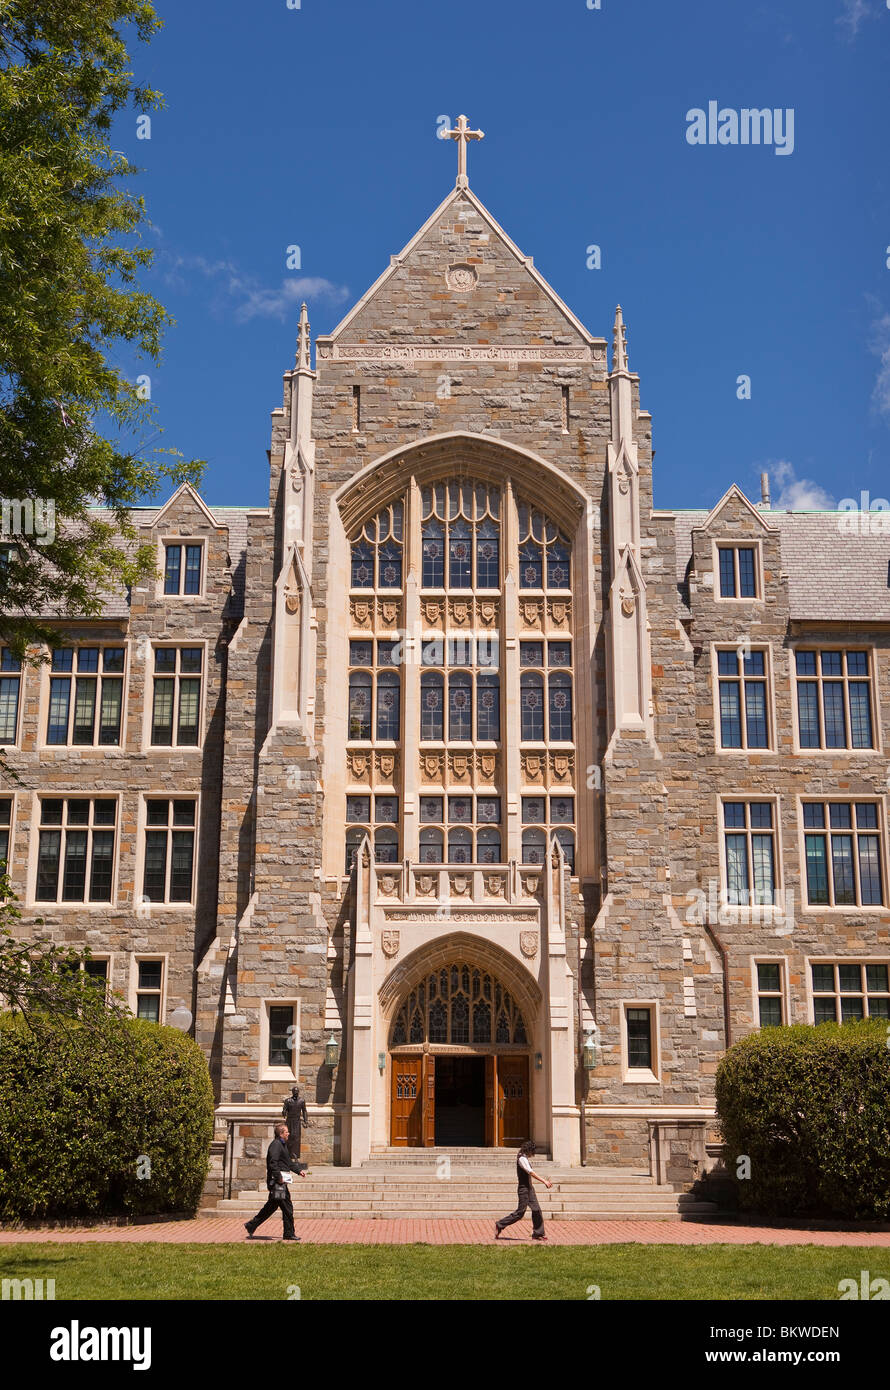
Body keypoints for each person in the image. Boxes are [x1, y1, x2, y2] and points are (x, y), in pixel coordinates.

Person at [244, 1123, 302, 1241]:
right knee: (287, 1207)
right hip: (277, 1183)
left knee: (271, 1206)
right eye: (286, 1132)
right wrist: (278, 1177)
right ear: (281, 1133)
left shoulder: (282, 1145)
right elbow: (272, 1163)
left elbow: (288, 1163)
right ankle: (289, 1233)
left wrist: (298, 1171)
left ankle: (251, 1225)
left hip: (280, 1182)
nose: (288, 1133)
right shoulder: (276, 1145)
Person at [494, 1140, 552, 1242]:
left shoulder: (523, 1157)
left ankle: (538, 1233)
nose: (532, 1154)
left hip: (529, 1188)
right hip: (523, 1189)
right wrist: (544, 1181)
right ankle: (500, 1224)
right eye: (532, 1152)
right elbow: (531, 1172)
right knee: (520, 1213)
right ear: (529, 1150)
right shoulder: (521, 1159)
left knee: (536, 1210)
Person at [282, 1086, 310, 1170]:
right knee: (288, 1138)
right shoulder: (288, 1101)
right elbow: (284, 1111)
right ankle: (288, 1157)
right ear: (292, 1092)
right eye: (294, 1091)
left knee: (296, 1139)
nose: (296, 1093)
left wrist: (305, 1121)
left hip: (297, 1121)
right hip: (289, 1121)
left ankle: (296, 1157)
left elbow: (304, 1111)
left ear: (299, 1092)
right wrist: (284, 1112)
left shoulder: (302, 1101)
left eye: (297, 1091)